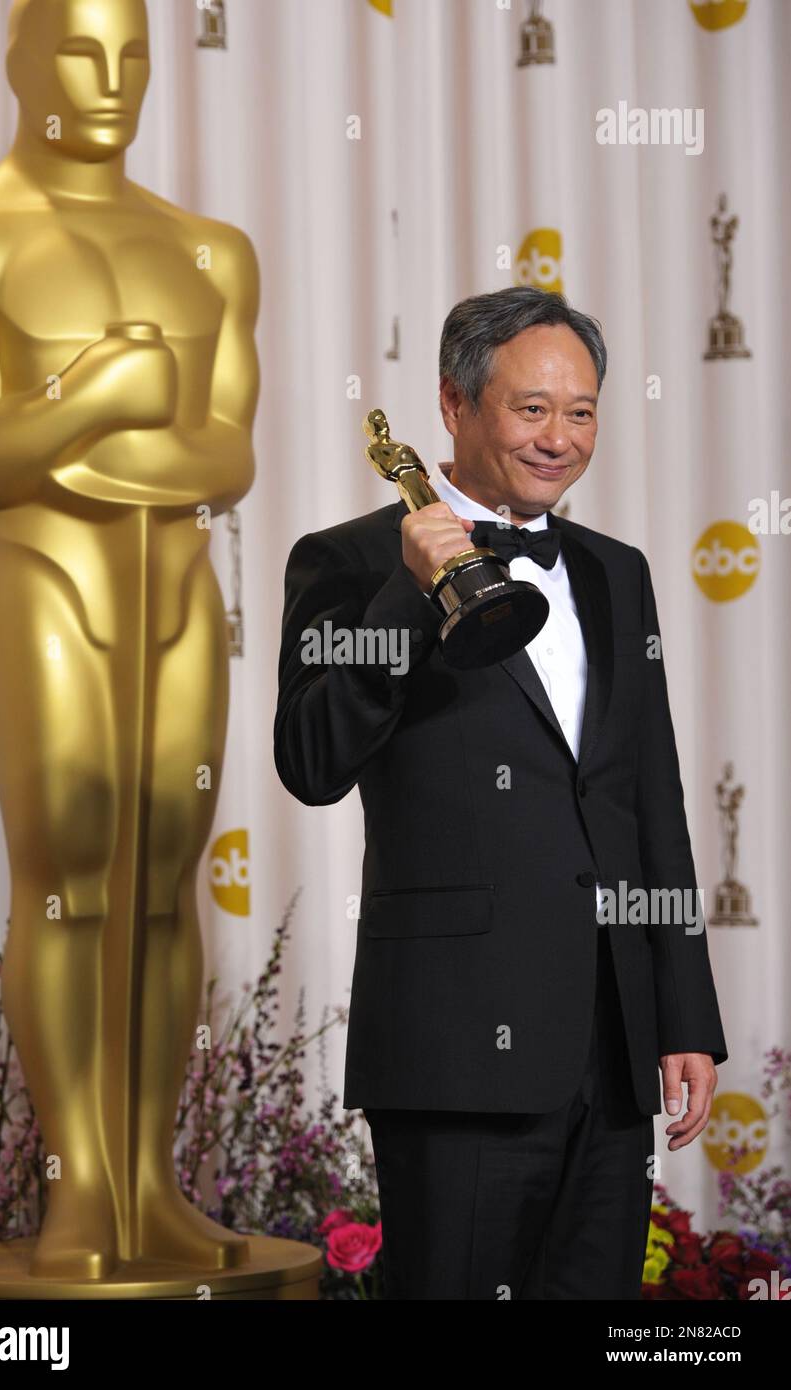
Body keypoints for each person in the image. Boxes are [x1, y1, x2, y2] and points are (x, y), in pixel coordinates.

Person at [274, 286, 727, 1300]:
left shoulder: (617, 573)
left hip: (612, 1048)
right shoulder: (348, 560)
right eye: (531, 409)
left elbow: (650, 799)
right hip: (453, 1048)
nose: (558, 438)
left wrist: (682, 1012)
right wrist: (409, 594)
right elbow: (308, 759)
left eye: (581, 412)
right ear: (454, 403)